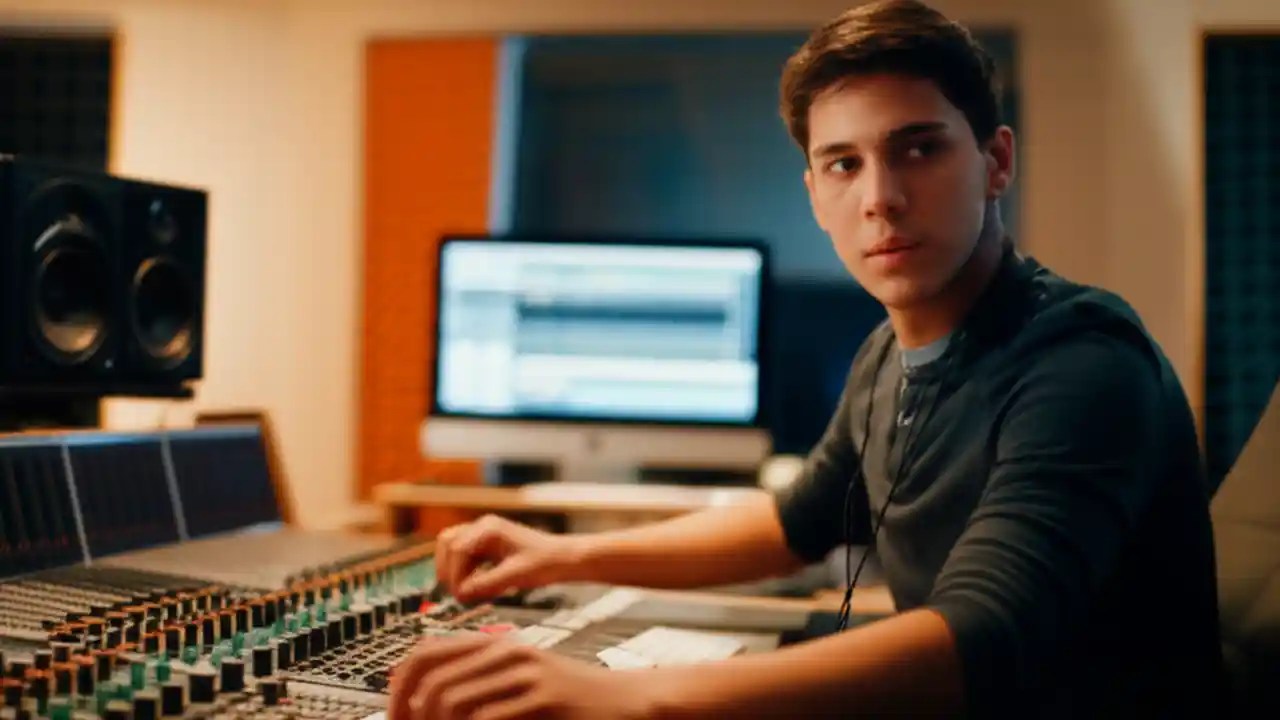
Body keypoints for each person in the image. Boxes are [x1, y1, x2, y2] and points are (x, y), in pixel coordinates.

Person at [388, 1, 1224, 717]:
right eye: (844, 164)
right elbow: (793, 524)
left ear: (996, 161)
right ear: (816, 195)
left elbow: (983, 636)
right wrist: (564, 554)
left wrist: (632, 696)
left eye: (919, 149)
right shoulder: (886, 356)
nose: (881, 197)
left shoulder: (1083, 364)